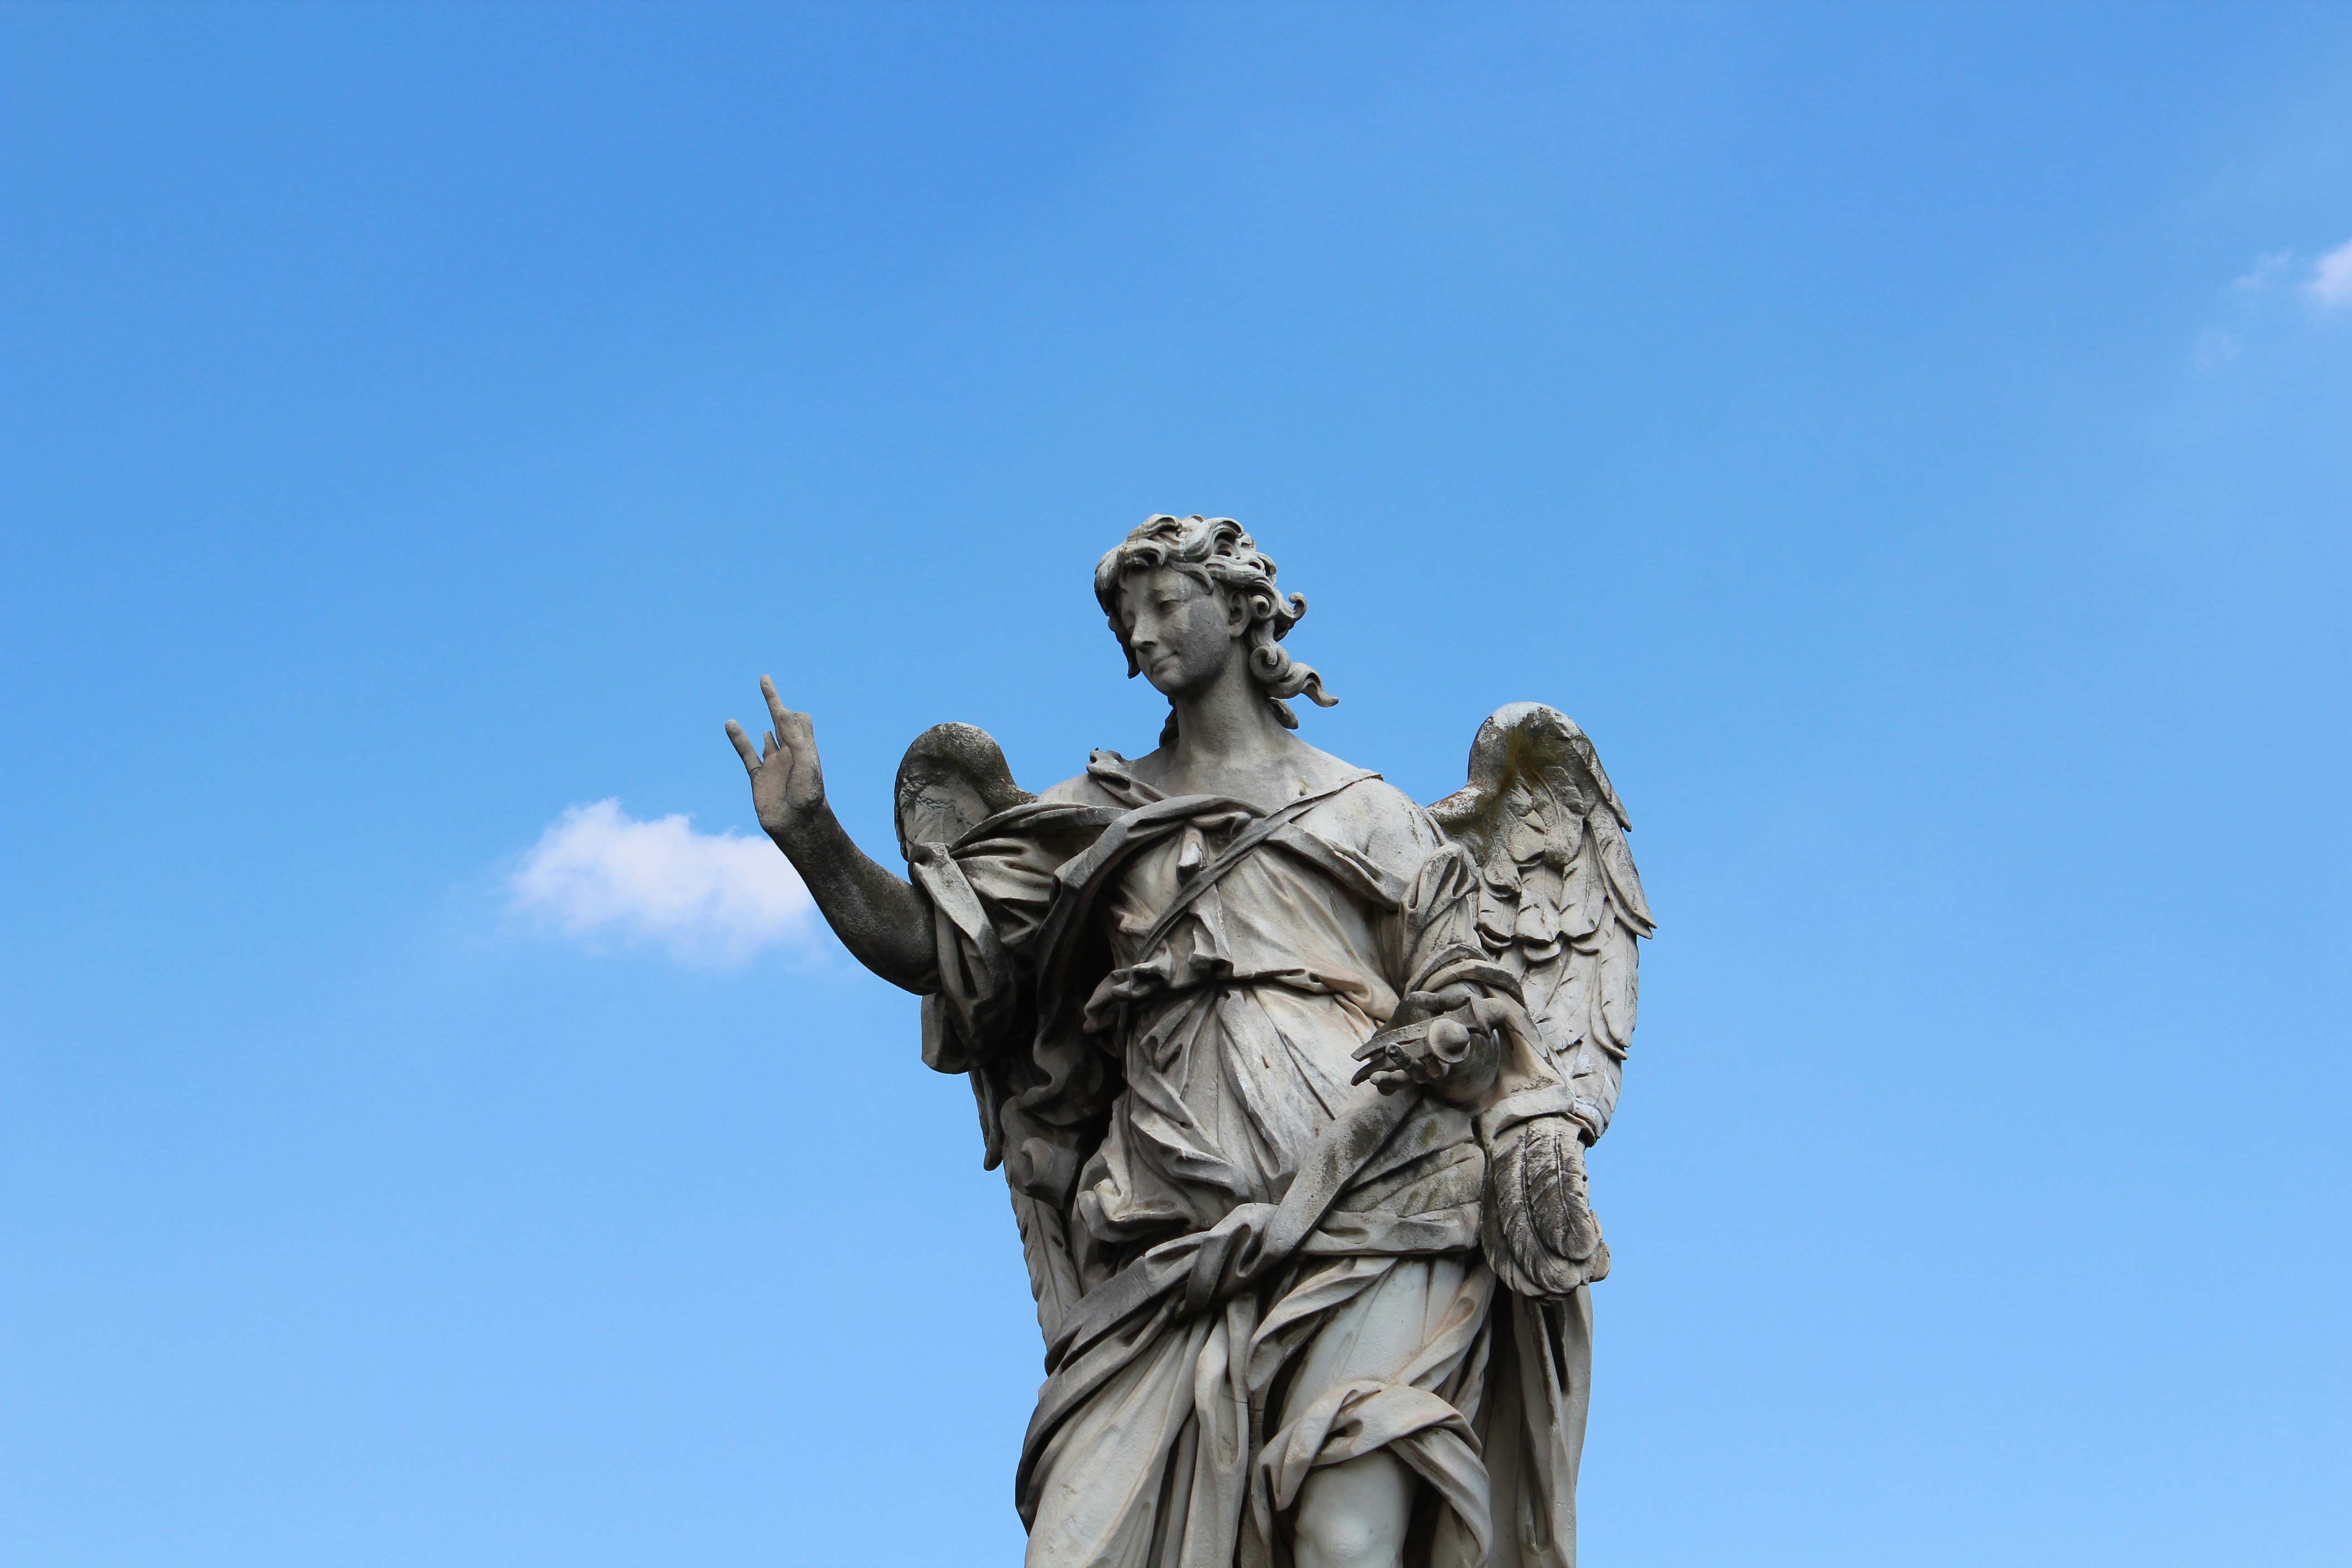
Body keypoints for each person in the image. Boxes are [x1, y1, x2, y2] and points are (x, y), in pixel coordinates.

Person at [729, 516, 1597, 1568]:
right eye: (1122, 618)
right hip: (1166, 1232)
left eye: (1164, 605)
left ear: (1240, 610)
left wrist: (1452, 1035)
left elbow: (1476, 999)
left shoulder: (1374, 814)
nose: (1139, 636)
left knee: (1346, 1542)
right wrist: (815, 840)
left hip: (1381, 1193)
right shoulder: (1090, 813)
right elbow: (940, 951)